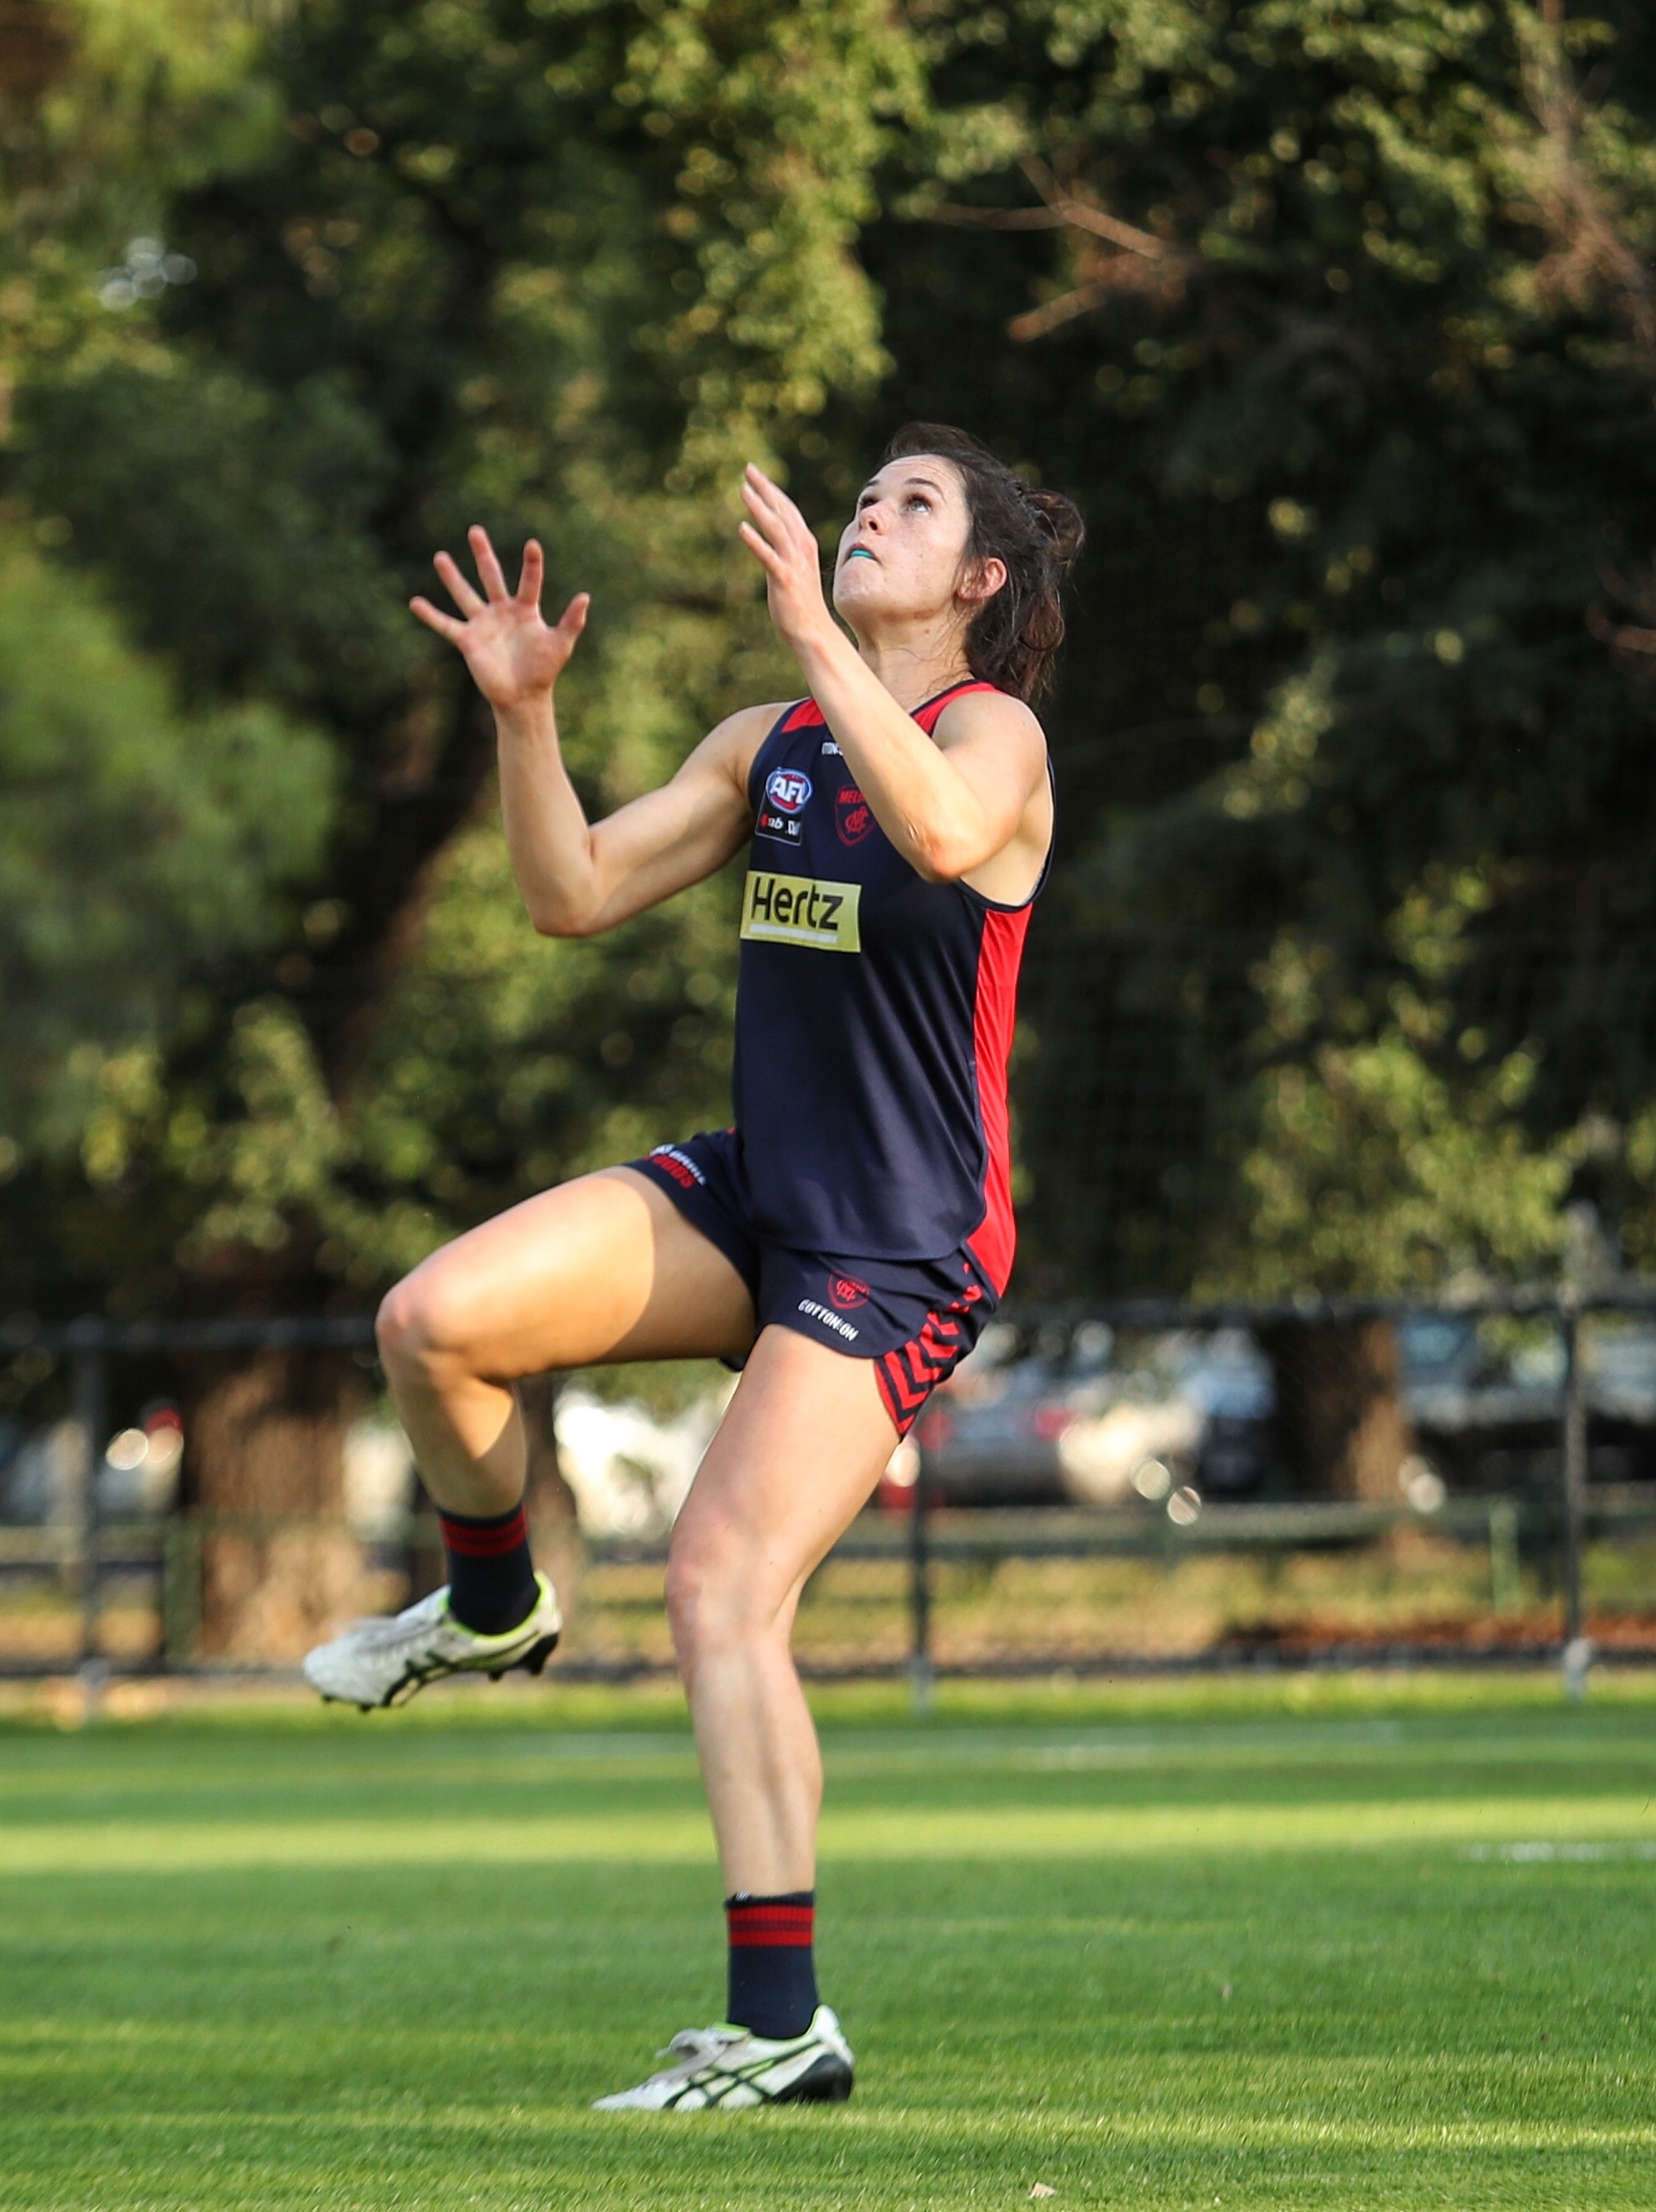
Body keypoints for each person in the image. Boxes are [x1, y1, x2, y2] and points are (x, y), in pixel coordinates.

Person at [302, 425, 1082, 2111]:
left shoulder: (991, 734)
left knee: (722, 1589)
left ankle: (782, 2025)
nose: (867, 513)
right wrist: (522, 716)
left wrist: (815, 622)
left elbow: (943, 837)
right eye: (861, 497)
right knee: (430, 1321)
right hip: (761, 1198)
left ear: (978, 581)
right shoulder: (769, 745)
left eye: (910, 506)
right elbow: (567, 893)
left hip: (899, 1241)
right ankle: (495, 1603)